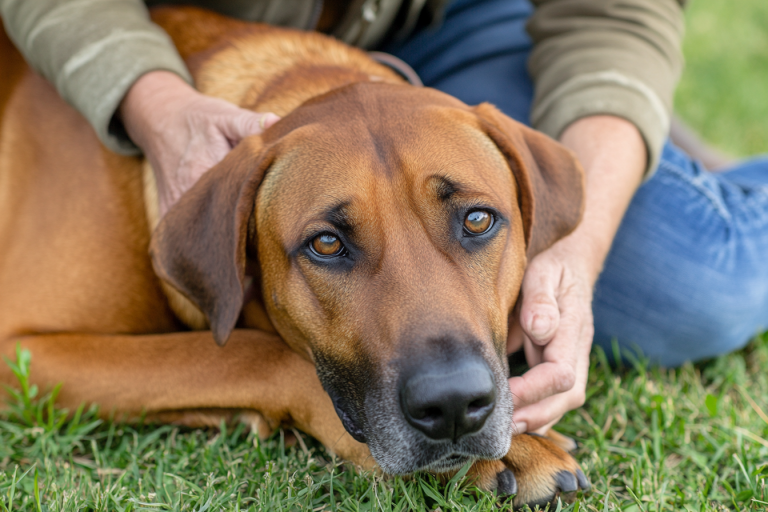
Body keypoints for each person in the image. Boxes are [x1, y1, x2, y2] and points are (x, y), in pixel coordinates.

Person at [2, 0, 767, 438]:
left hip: (470, 18)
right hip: (138, 48)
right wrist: (284, 379)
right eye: (332, 242)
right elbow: (17, 359)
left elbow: (612, 15)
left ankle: (662, 145)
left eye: (474, 222)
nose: (453, 391)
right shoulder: (189, 195)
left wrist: (581, 247)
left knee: (695, 284)